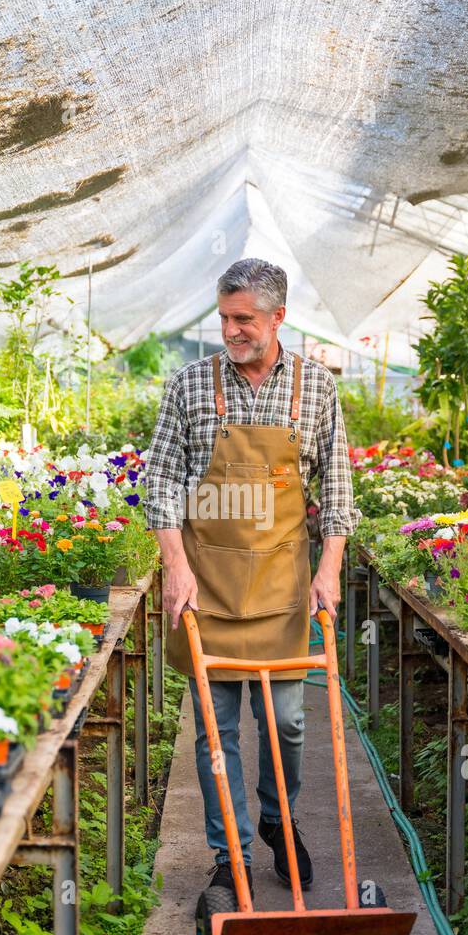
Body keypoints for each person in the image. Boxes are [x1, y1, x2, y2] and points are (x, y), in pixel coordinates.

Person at [145, 258, 359, 899]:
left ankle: (276, 816)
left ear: (278, 318)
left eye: (244, 319)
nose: (232, 330)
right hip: (205, 586)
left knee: (287, 722)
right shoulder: (189, 386)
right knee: (218, 729)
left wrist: (329, 570)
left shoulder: (317, 389)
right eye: (225, 317)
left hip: (282, 589)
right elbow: (158, 482)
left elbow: (339, 491)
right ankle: (229, 852)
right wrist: (175, 569)